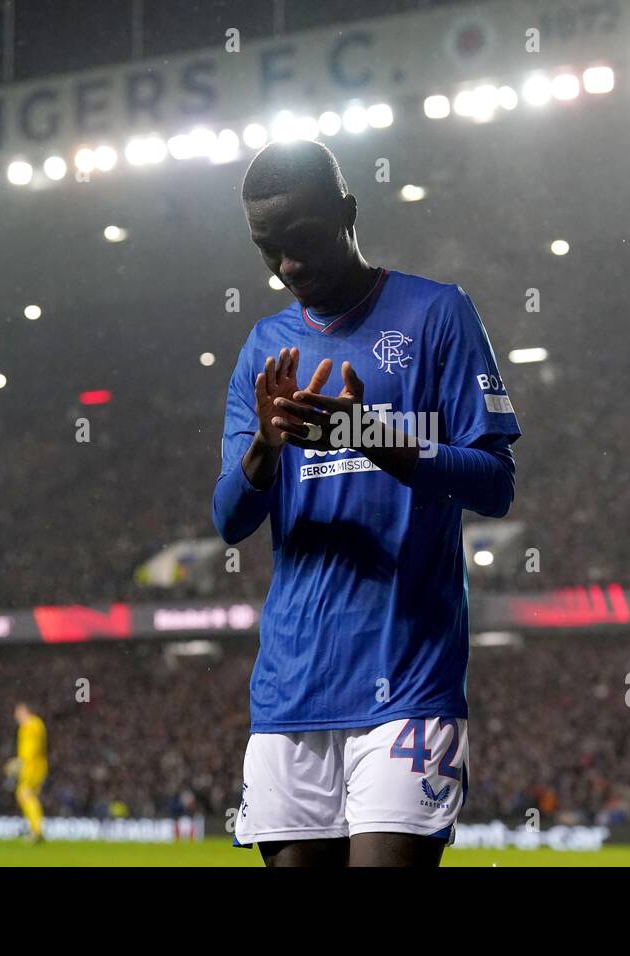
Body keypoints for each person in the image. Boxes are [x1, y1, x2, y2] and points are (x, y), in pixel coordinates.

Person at [212, 139, 521, 866]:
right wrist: (266, 444)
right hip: (292, 692)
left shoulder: (438, 313)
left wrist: (384, 443)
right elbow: (230, 520)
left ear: (348, 212)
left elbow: (495, 484)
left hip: (407, 681)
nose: (287, 266)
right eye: (267, 250)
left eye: (303, 241)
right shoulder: (264, 348)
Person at [6, 702, 47, 843]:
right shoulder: (33, 725)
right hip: (33, 765)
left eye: (18, 712)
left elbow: (33, 748)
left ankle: (37, 831)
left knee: (24, 793)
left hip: (33, 765)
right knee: (26, 795)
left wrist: (20, 762)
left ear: (25, 711)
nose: (16, 716)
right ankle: (35, 829)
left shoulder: (31, 724)